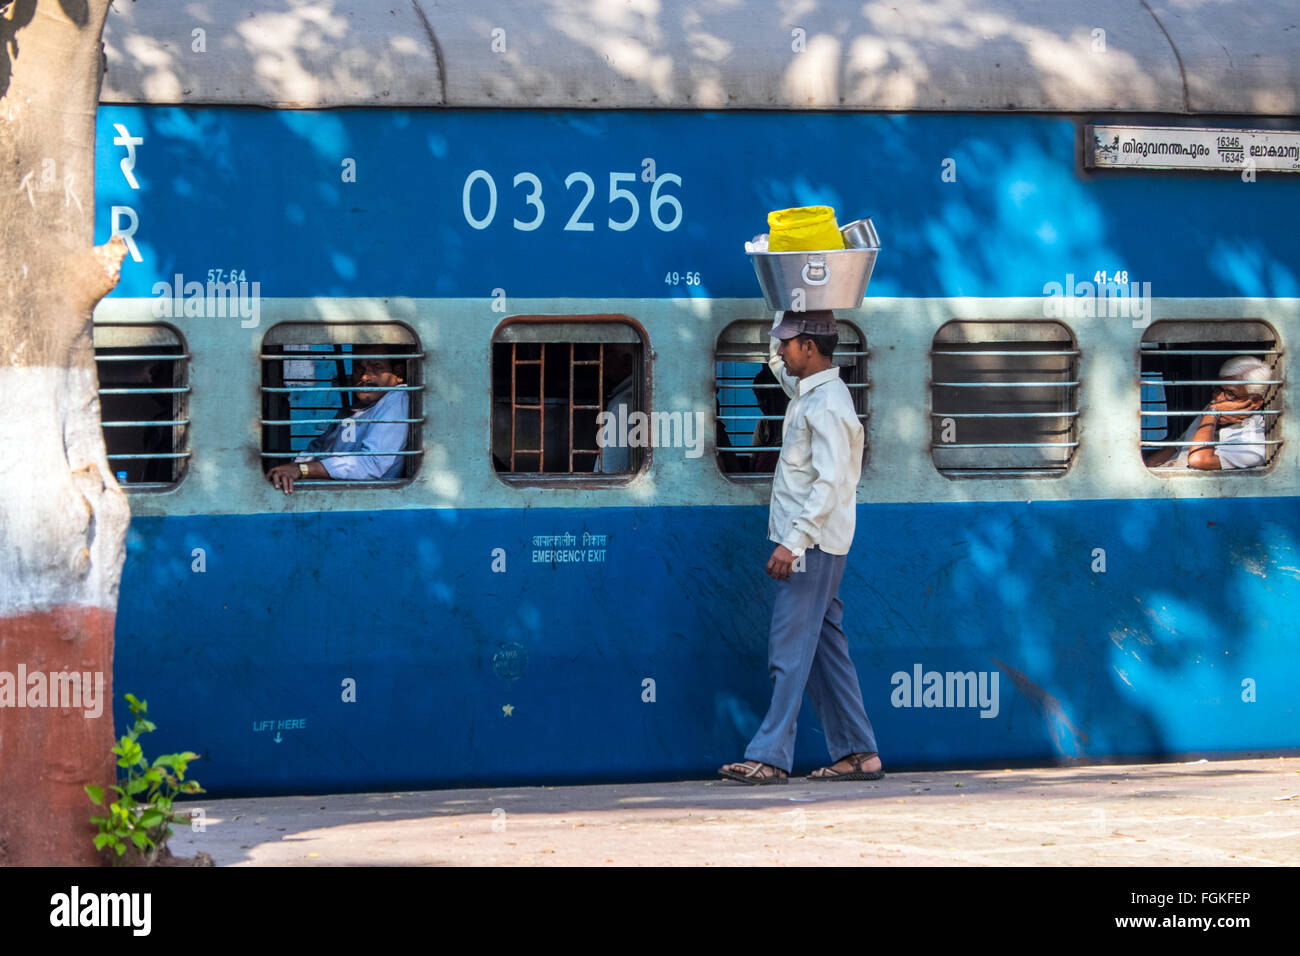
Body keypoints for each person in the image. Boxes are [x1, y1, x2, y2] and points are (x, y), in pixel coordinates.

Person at [719, 310, 882, 784]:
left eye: (788, 344)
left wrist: (792, 543)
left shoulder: (826, 405)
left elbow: (830, 484)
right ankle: (859, 752)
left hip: (811, 548)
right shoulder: (810, 393)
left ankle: (770, 756)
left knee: (788, 652)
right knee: (827, 653)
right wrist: (788, 294)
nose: (782, 353)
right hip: (819, 546)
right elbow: (780, 364)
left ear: (809, 347)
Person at [266, 346, 410, 494]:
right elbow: (318, 449)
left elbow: (372, 463)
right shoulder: (351, 412)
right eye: (358, 368)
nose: (364, 377)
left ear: (398, 374)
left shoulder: (397, 398)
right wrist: (287, 469)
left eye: (376, 367)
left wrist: (303, 469)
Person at [1144, 356, 1271, 470]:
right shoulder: (1213, 408)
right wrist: (1146, 470)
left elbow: (1198, 459)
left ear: (1255, 402)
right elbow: (1178, 446)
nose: (1219, 398)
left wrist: (1213, 414)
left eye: (1230, 394)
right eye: (1218, 389)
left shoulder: (1250, 444)